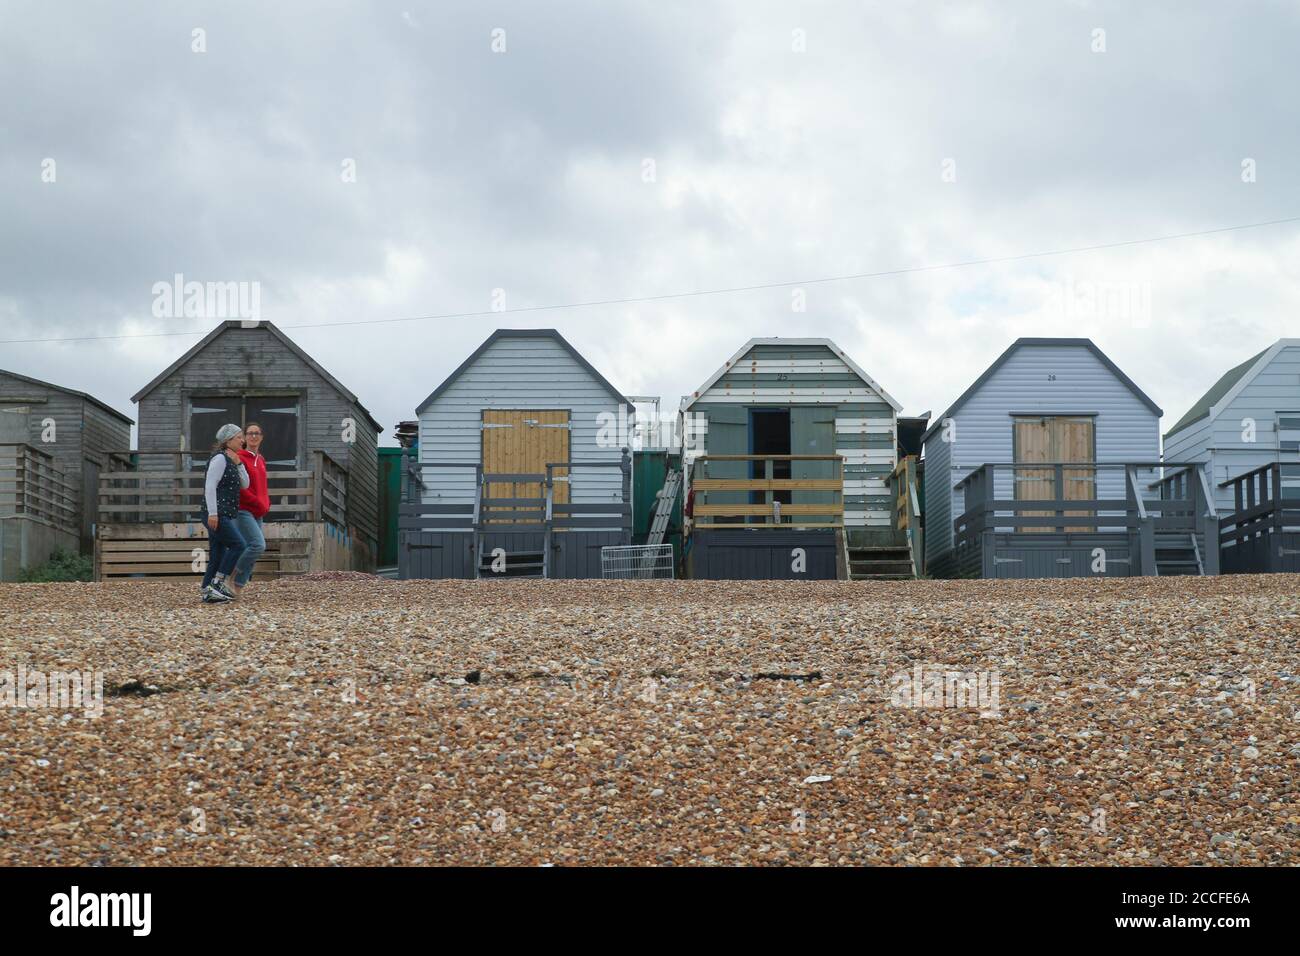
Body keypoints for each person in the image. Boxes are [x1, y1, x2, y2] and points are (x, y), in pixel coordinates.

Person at [200, 424, 249, 603]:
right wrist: (213, 513)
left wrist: (239, 464)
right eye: (239, 437)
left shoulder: (232, 459)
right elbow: (210, 486)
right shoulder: (220, 459)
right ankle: (218, 583)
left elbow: (245, 484)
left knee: (218, 553)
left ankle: (207, 591)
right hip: (216, 514)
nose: (242, 440)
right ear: (228, 440)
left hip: (223, 514)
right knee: (239, 545)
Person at [229, 421, 269, 595]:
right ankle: (231, 574)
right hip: (243, 509)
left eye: (257, 433)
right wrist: (256, 501)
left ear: (261, 437)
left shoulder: (261, 460)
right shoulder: (240, 457)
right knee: (258, 545)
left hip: (258, 511)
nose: (253, 436)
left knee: (250, 549)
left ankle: (238, 588)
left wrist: (265, 503)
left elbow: (263, 486)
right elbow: (240, 487)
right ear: (244, 437)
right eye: (250, 433)